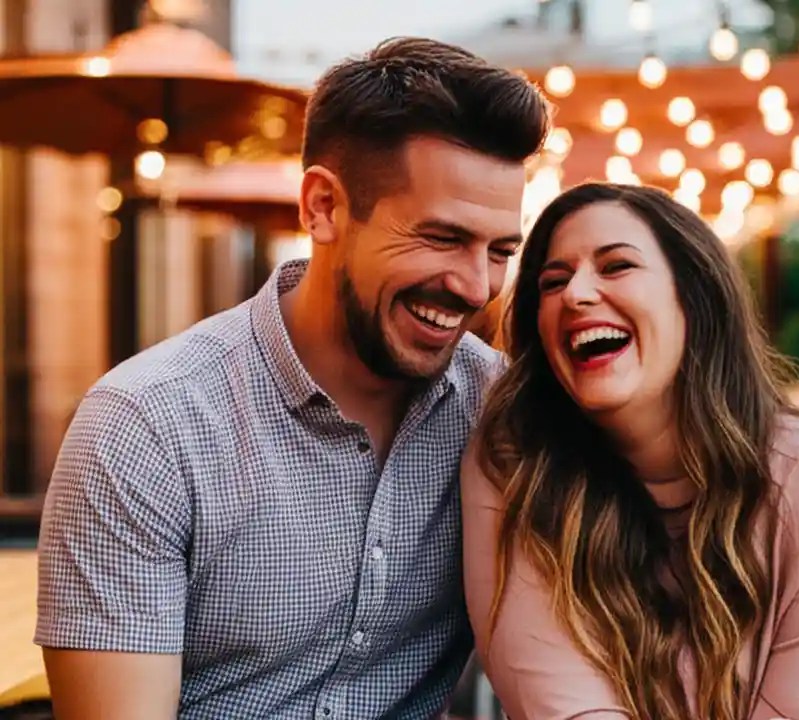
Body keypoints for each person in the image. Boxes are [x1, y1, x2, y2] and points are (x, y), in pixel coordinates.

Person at [35, 37, 549, 718]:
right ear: (323, 207)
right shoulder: (145, 428)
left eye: (500, 251)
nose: (474, 285)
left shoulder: (501, 414)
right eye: (441, 237)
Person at [462, 183, 799, 720]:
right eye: (553, 281)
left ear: (696, 296)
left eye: (616, 266)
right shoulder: (519, 469)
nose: (576, 294)